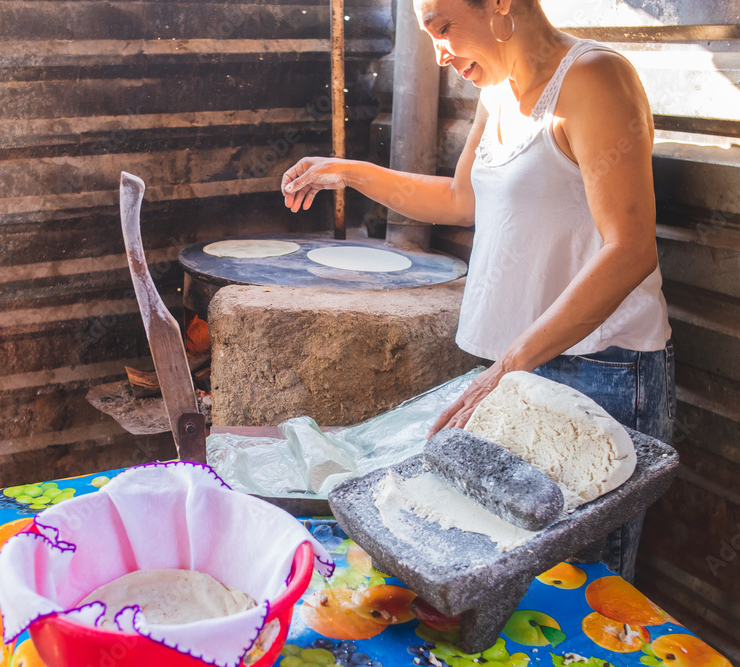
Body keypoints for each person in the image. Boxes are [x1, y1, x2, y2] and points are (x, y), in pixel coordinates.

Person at [280, 0, 673, 582]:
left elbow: (631, 248)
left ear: (499, 4)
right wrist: (352, 171)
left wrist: (510, 362)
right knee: (520, 574)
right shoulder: (498, 92)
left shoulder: (592, 79)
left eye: (442, 28)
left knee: (583, 588)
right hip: (525, 367)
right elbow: (462, 200)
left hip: (602, 370)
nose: (440, 55)